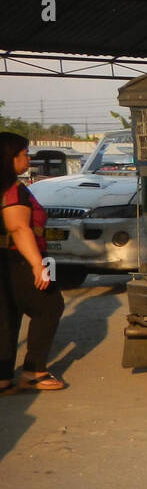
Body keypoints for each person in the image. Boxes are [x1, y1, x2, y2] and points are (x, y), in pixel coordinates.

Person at [0, 131, 67, 392]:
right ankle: (34, 371)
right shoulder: (13, 191)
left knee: (6, 316)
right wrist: (38, 265)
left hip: (5, 260)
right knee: (50, 306)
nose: (27, 158)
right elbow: (19, 228)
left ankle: (3, 378)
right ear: (9, 158)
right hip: (19, 258)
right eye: (23, 154)